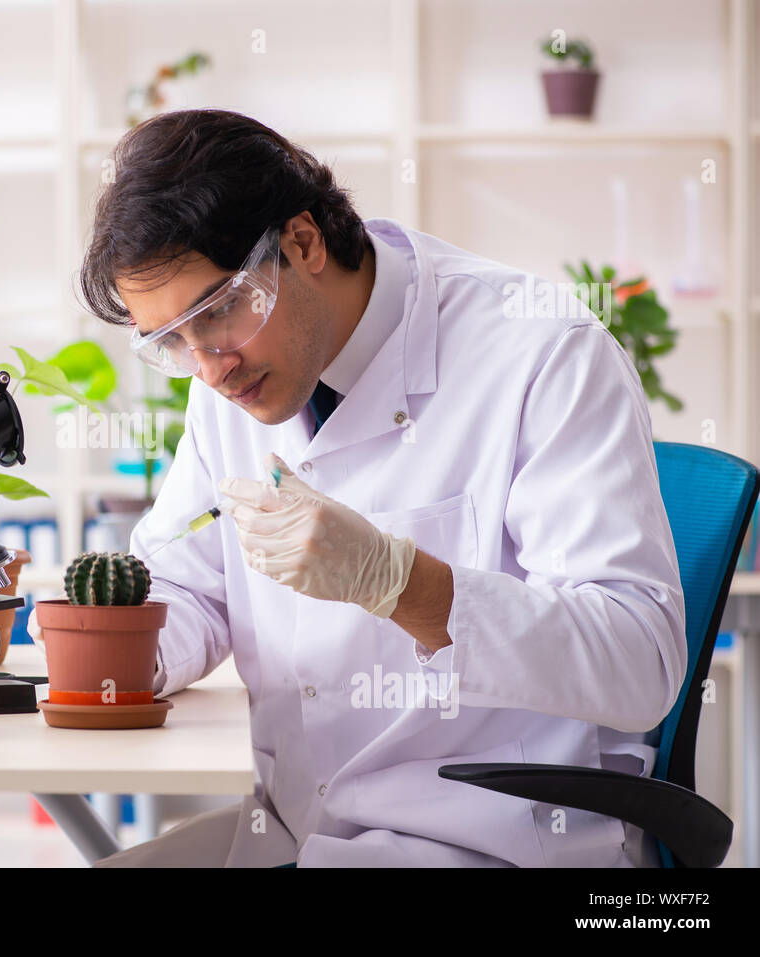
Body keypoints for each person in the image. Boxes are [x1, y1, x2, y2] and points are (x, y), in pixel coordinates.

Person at [64, 109, 686, 867]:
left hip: (494, 842)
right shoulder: (225, 373)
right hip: (293, 825)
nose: (208, 366)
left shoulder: (541, 353)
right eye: (172, 340)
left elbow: (638, 661)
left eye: (220, 309)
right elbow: (190, 588)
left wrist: (400, 583)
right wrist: (109, 645)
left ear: (302, 241)